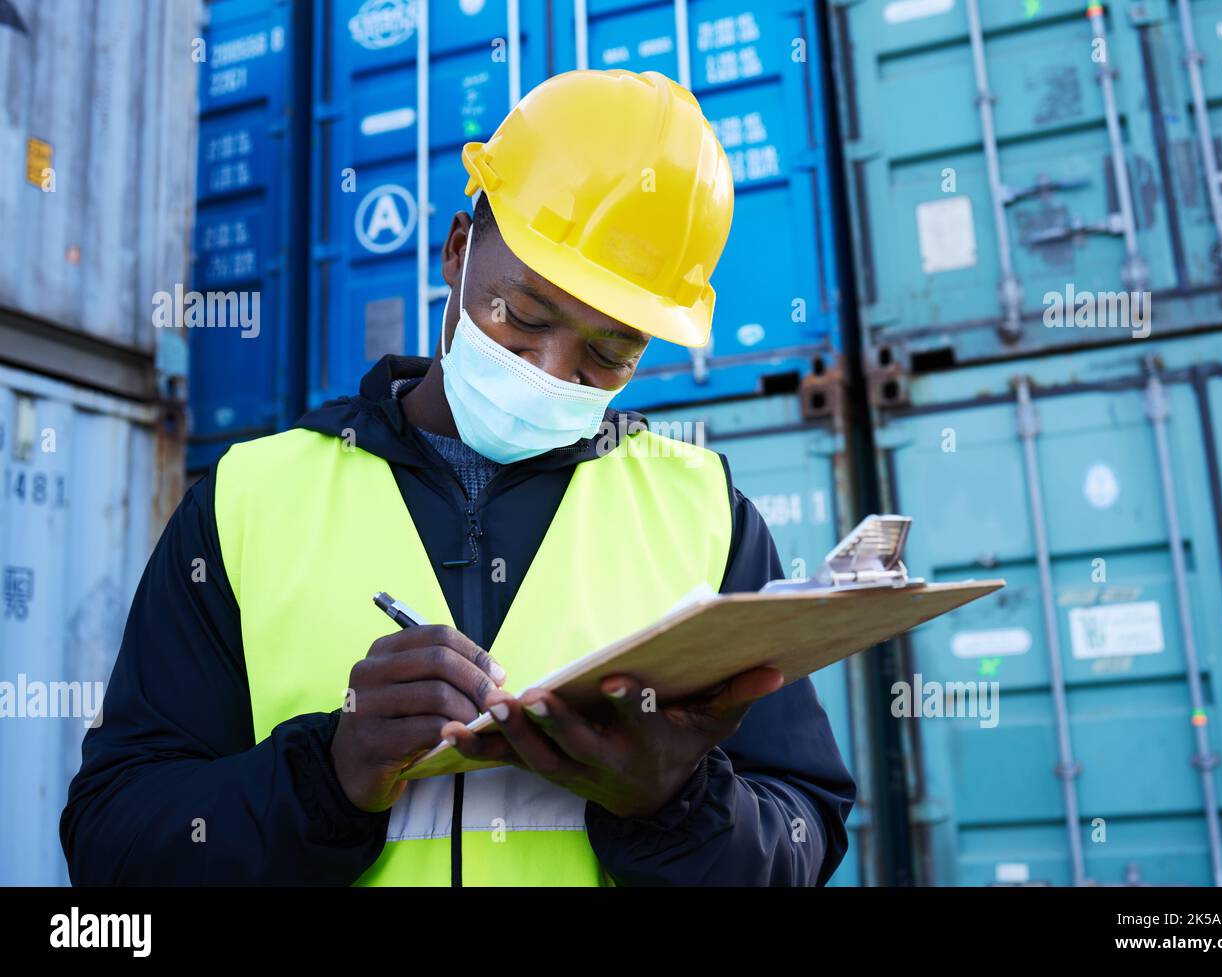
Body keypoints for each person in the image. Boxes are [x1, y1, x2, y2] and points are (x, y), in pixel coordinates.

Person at [61, 68, 855, 886]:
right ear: (456, 249)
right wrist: (327, 776)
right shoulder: (247, 501)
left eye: (608, 351)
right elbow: (114, 840)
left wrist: (675, 804)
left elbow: (805, 829)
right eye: (524, 315)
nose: (552, 371)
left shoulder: (706, 516)